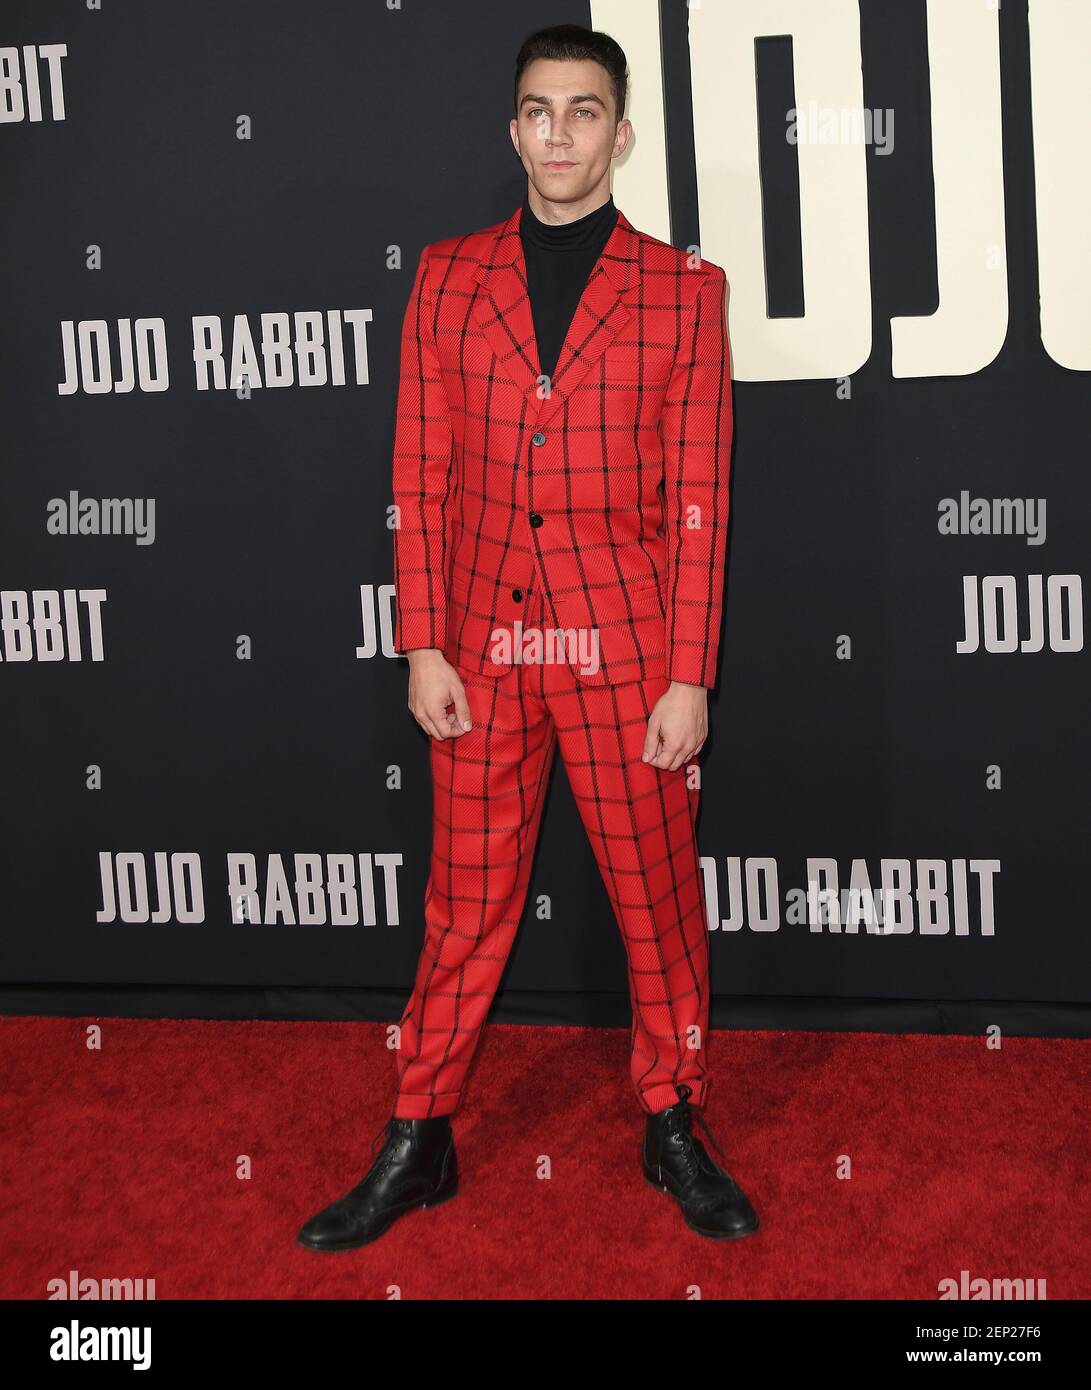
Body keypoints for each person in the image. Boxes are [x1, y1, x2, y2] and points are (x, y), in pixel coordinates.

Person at [298, 22, 757, 1251]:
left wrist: (688, 673)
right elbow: (421, 472)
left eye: (585, 110)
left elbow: (701, 501)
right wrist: (422, 642)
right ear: (514, 130)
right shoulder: (447, 277)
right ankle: (419, 1132)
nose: (560, 132)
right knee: (464, 906)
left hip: (625, 654)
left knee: (655, 905)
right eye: (539, 111)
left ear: (621, 131)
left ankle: (671, 1119)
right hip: (480, 651)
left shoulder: (683, 291)